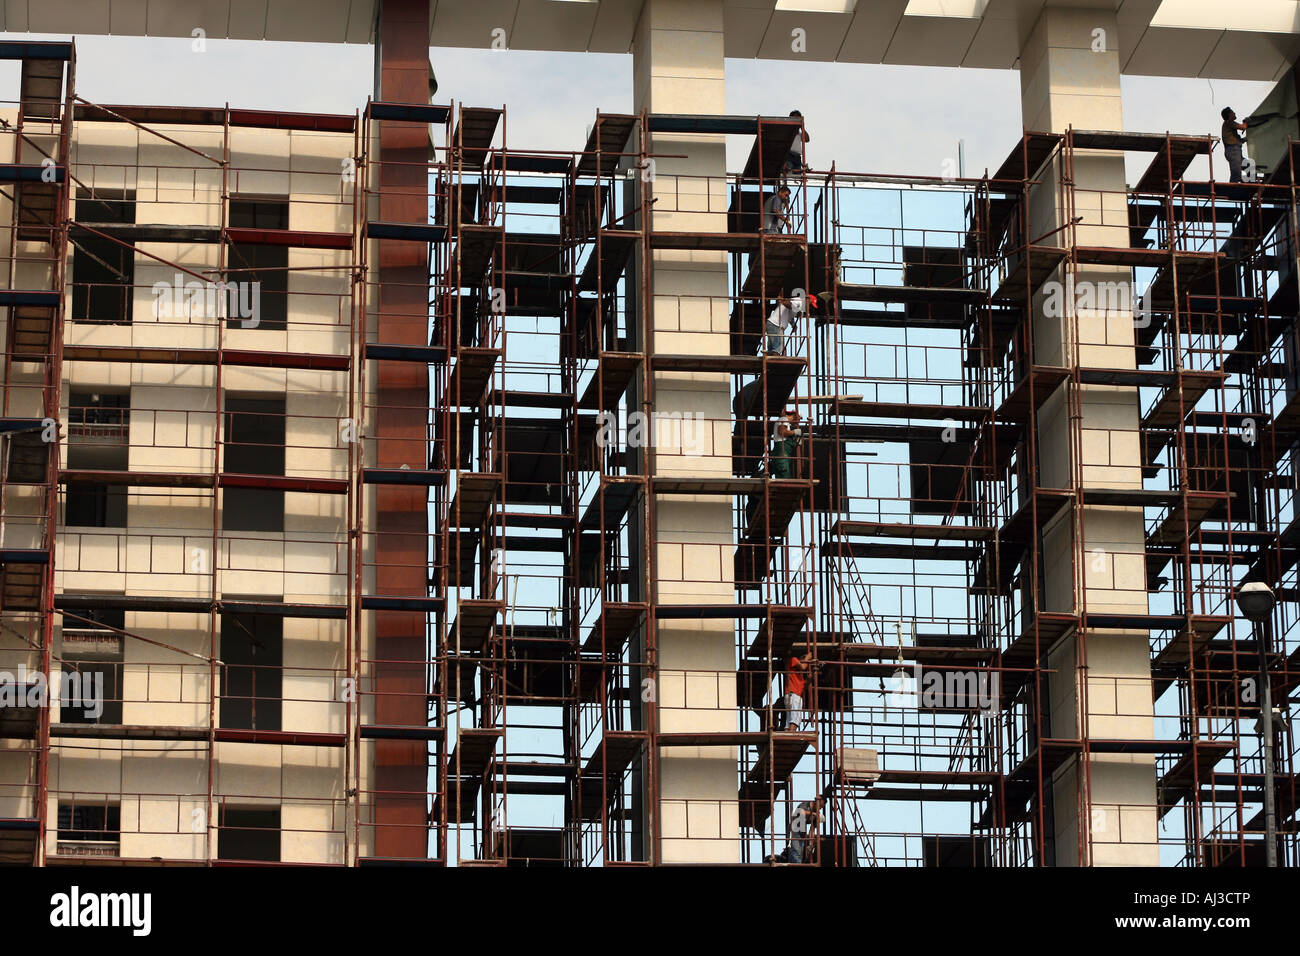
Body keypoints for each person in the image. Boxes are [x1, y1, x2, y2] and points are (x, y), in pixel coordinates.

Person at [786, 796, 824, 864]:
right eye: (820, 806)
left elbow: (812, 830)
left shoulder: (817, 814)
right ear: (816, 802)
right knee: (795, 850)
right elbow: (801, 812)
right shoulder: (805, 805)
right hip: (794, 828)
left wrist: (810, 843)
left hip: (802, 830)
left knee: (800, 851)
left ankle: (796, 864)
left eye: (821, 807)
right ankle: (797, 865)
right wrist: (815, 814)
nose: (819, 808)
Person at [783, 649, 813, 730]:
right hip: (793, 696)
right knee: (795, 720)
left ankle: (787, 736)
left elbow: (804, 686)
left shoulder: (799, 678)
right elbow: (803, 667)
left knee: (789, 722)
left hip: (791, 696)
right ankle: (791, 735)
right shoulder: (793, 659)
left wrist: (811, 677)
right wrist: (808, 657)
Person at [768, 410, 802, 480]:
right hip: (782, 453)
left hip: (783, 454)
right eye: (799, 419)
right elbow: (782, 431)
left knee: (783, 476)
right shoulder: (784, 419)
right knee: (784, 477)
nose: (798, 422)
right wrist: (794, 432)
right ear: (795, 415)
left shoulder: (786, 422)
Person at [1221, 107, 1248, 183]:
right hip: (1233, 151)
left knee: (1249, 165)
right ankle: (1232, 188)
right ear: (1229, 114)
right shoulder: (1229, 122)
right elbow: (1243, 127)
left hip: (1235, 151)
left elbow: (1236, 140)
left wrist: (1244, 139)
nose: (1234, 113)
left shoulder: (1229, 126)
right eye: (1233, 112)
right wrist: (1246, 122)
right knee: (1236, 172)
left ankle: (1250, 183)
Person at [784, 109, 810, 174]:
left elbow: (807, 139)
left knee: (797, 176)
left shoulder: (800, 134)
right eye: (794, 119)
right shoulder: (787, 131)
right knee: (788, 174)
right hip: (789, 155)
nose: (796, 121)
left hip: (797, 157)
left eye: (797, 119)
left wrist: (802, 127)